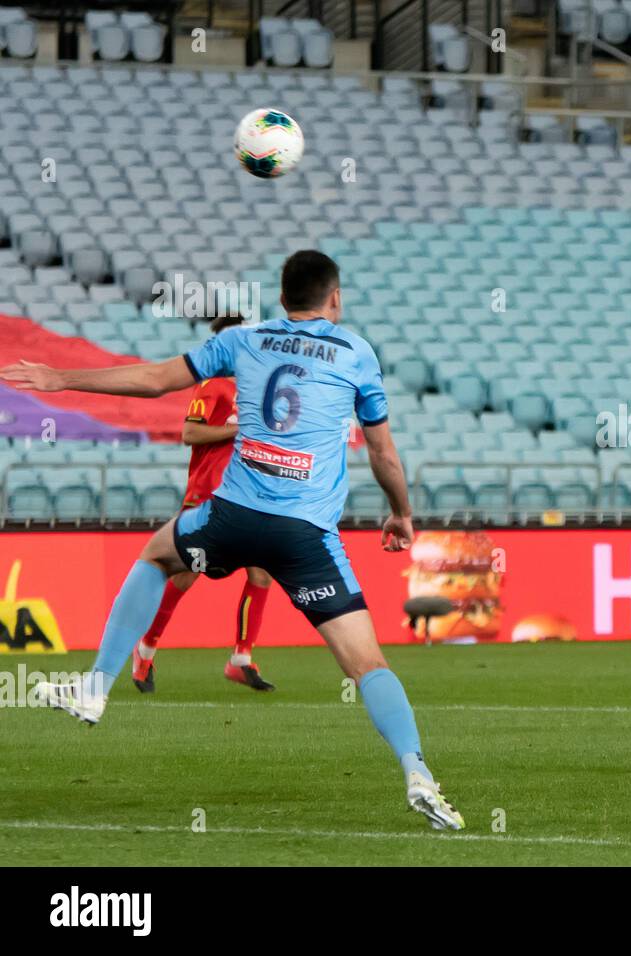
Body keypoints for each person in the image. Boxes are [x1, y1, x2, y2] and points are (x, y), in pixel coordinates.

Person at [1, 250, 464, 830]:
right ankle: (417, 771)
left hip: (233, 515)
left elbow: (154, 380)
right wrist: (401, 514)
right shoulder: (357, 354)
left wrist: (60, 378)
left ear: (281, 297)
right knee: (367, 664)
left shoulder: (242, 340)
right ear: (335, 299)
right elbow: (383, 452)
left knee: (157, 554)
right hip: (306, 538)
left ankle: (97, 686)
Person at [132, 314, 275, 694]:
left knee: (261, 572)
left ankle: (241, 659)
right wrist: (238, 429)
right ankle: (145, 649)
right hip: (207, 495)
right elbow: (189, 433)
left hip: (249, 495)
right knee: (186, 574)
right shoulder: (213, 385)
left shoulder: (258, 385)